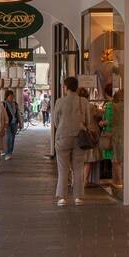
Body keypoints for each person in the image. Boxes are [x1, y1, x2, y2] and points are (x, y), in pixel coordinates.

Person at [51, 76, 93, 207]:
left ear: (66, 87)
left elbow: (55, 121)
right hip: (79, 138)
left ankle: (62, 198)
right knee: (78, 167)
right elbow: (87, 120)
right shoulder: (84, 102)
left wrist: (63, 127)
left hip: (63, 137)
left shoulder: (59, 102)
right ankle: (78, 197)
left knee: (63, 168)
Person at [2, 88, 21, 159]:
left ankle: (10, 152)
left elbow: (18, 114)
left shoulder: (15, 104)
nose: (12, 97)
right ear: (7, 96)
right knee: (9, 137)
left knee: (12, 138)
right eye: (10, 96)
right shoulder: (3, 104)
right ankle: (7, 153)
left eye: (12, 96)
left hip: (14, 123)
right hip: (7, 123)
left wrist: (20, 122)